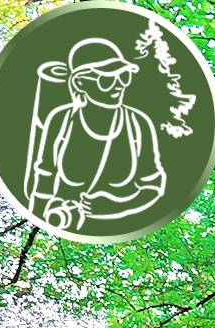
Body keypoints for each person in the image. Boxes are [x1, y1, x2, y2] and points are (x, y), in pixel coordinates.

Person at [26, 38, 167, 231]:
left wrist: (118, 206)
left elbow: (153, 186)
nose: (119, 85)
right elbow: (44, 178)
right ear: (81, 82)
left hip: (124, 236)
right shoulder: (61, 120)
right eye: (107, 79)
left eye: (124, 76)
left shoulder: (138, 124)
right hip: (64, 224)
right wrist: (39, 219)